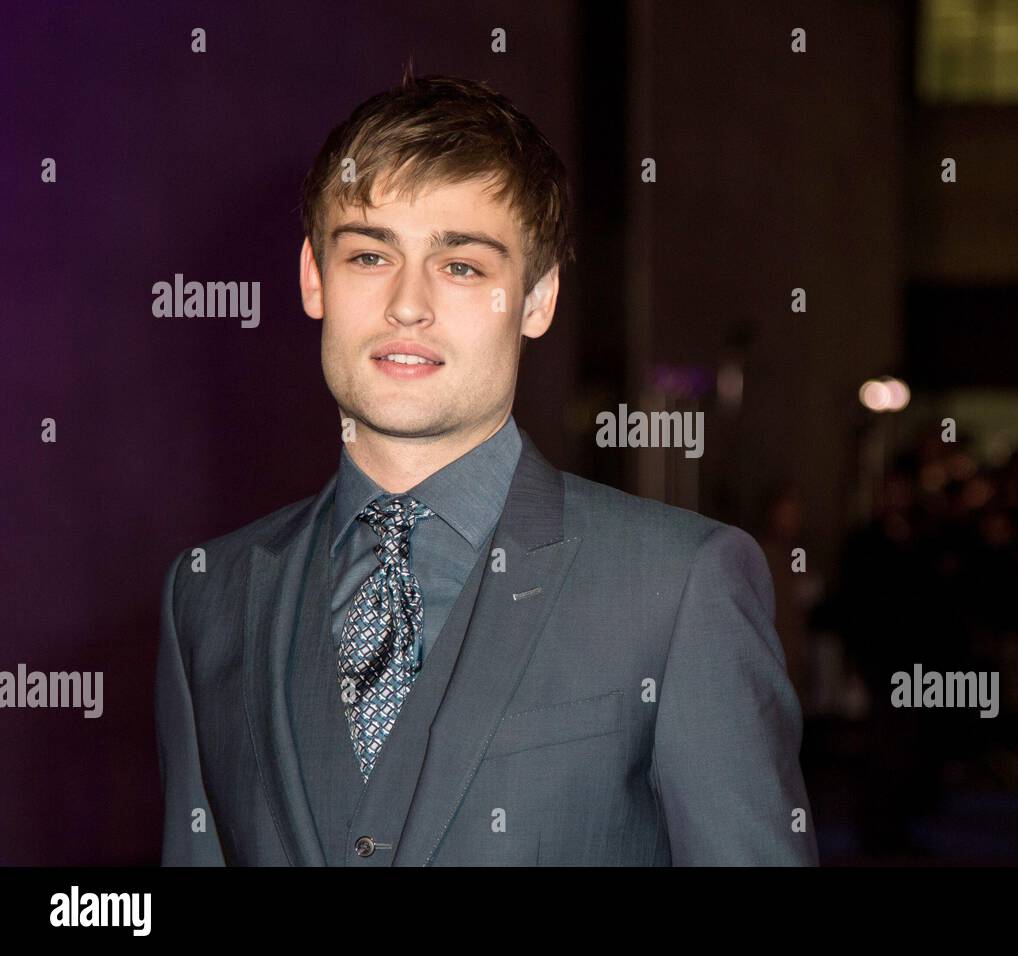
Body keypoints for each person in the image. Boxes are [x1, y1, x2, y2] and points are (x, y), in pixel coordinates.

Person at [153, 70, 817, 866]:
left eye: (461, 266)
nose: (407, 304)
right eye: (369, 255)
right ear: (313, 278)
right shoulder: (207, 594)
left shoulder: (679, 586)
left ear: (537, 299)